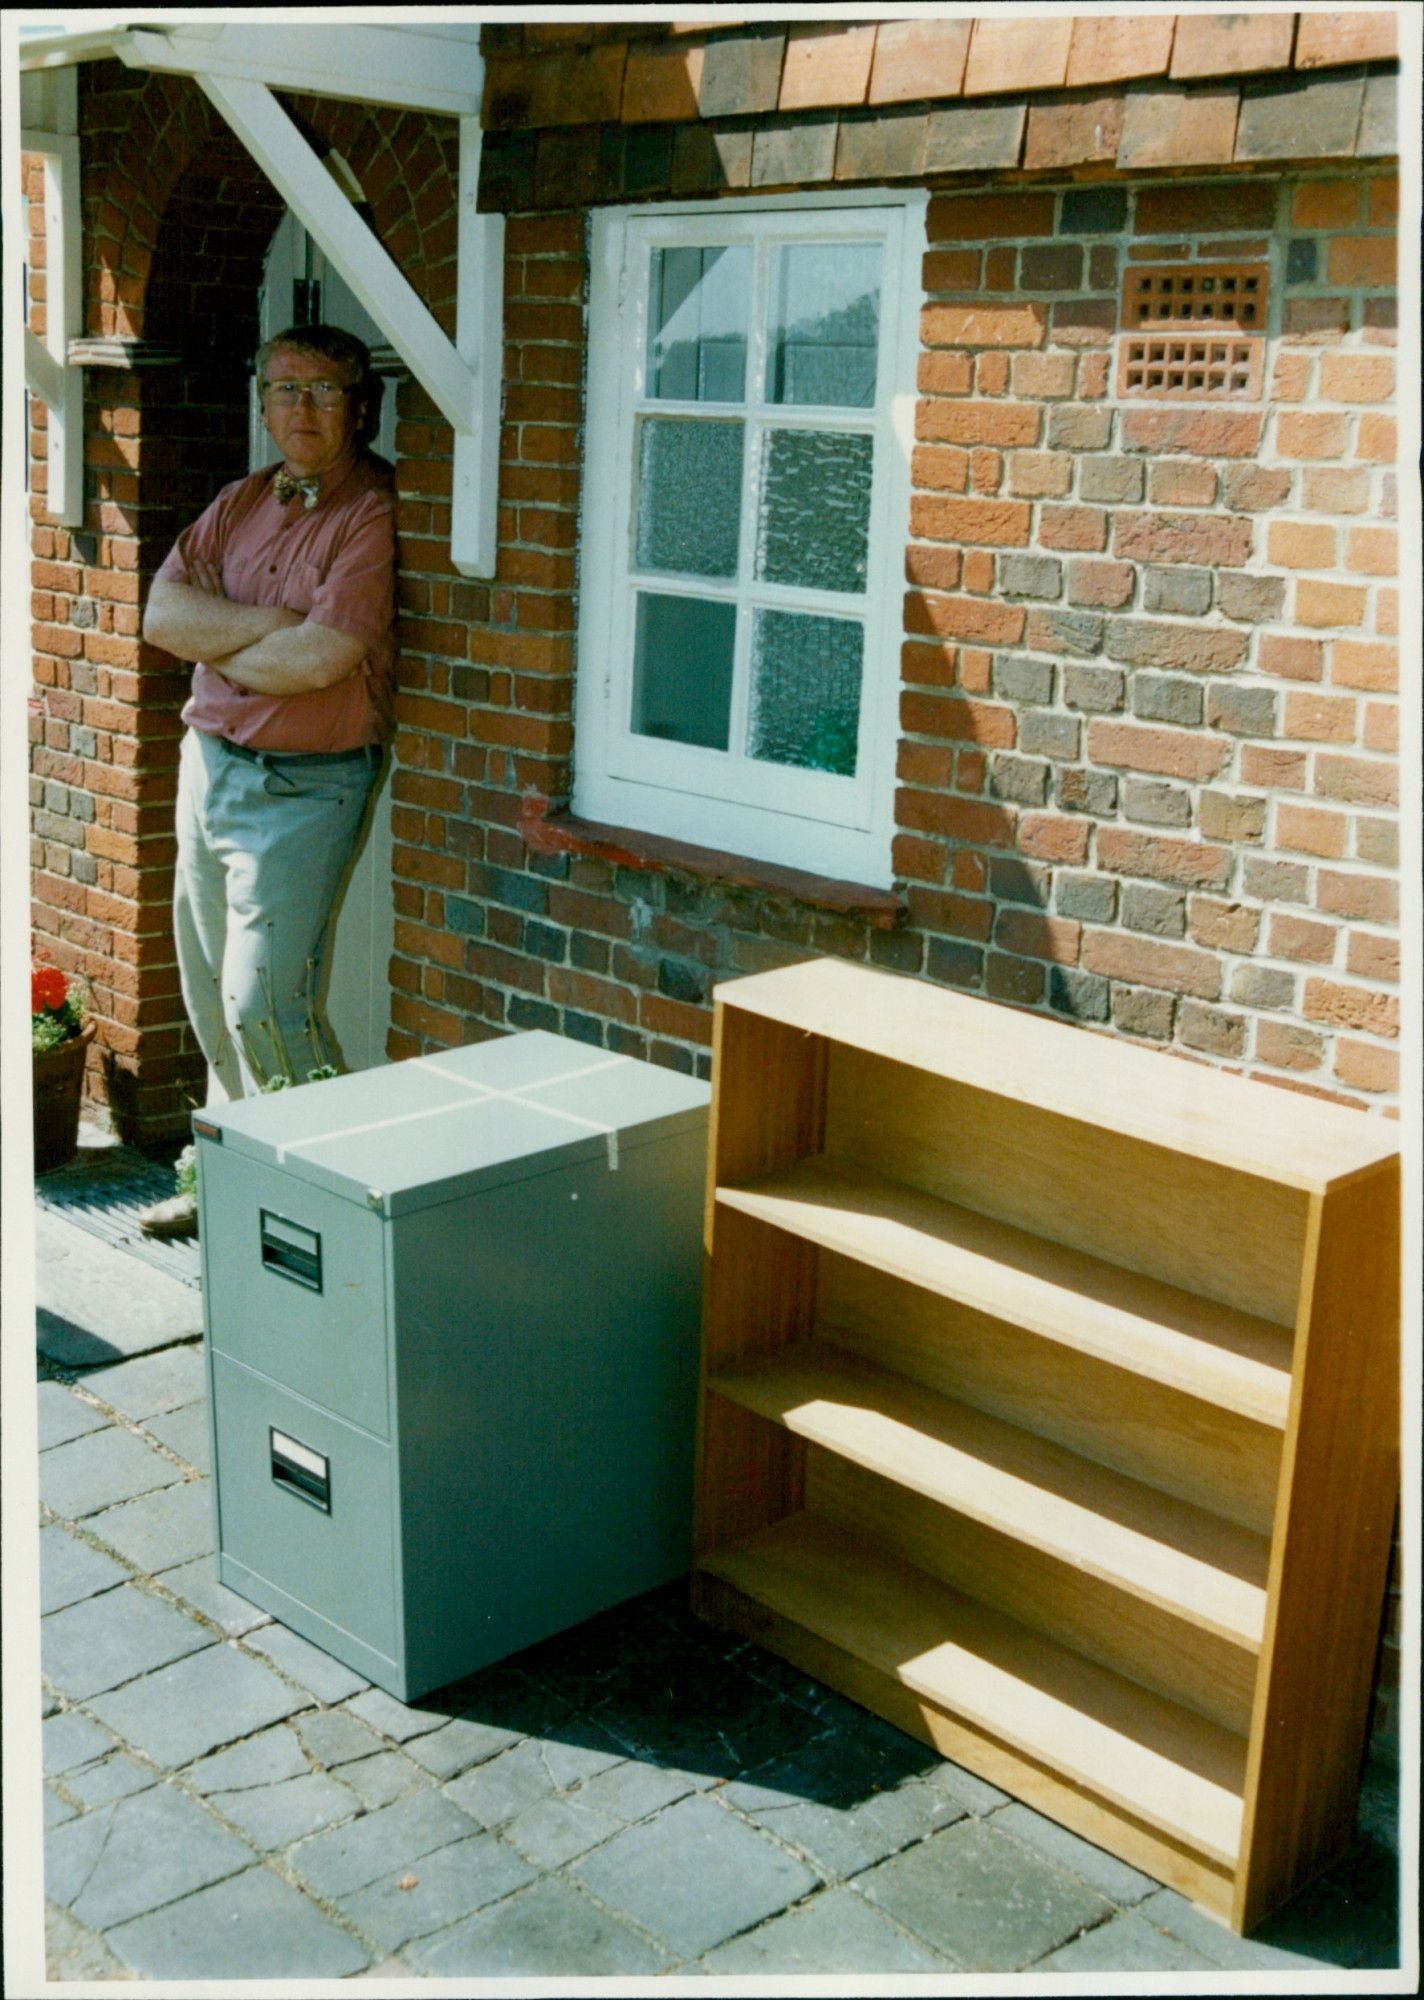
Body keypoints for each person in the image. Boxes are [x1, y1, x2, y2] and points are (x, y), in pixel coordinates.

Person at [136, 325, 397, 1236]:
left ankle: (320, 1212)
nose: (303, 408)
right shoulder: (242, 500)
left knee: (269, 1004)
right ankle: (229, 1191)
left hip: (303, 788)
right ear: (262, 402)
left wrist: (227, 644)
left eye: (324, 391)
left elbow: (325, 655)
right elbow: (163, 615)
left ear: (360, 407)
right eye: (285, 390)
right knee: (213, 999)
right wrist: (266, 629)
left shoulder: (371, 511)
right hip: (209, 769)